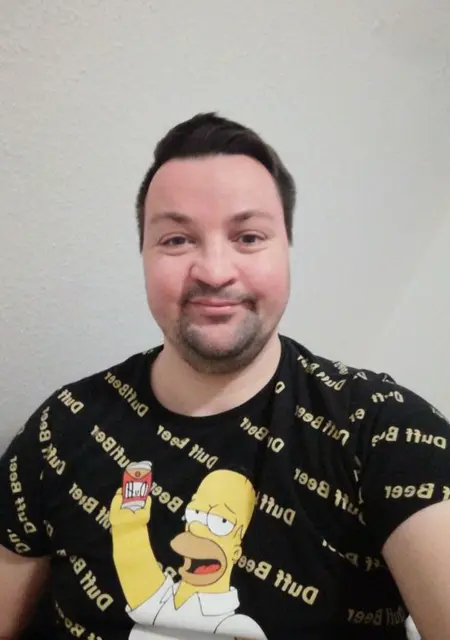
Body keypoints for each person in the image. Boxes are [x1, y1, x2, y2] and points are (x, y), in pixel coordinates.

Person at [0, 112, 446, 640]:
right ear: (143, 256)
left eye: (249, 236)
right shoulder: (64, 426)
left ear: (287, 250)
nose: (214, 272)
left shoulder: (384, 430)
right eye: (176, 240)